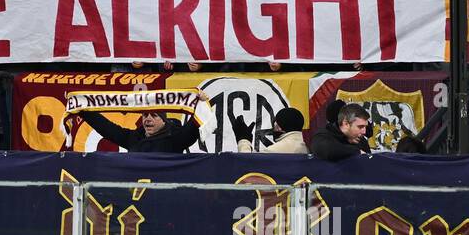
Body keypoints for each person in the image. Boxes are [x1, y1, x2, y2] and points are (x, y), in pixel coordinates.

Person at [79, 90, 210, 153]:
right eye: (145, 115)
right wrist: (82, 109)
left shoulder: (176, 138)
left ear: (164, 120)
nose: (148, 118)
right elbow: (106, 128)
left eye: (154, 115)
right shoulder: (133, 138)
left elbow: (195, 125)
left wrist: (202, 104)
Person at [232, 106, 308, 154]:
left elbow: (247, 163)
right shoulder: (309, 145)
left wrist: (243, 140)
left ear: (279, 127)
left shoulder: (275, 151)